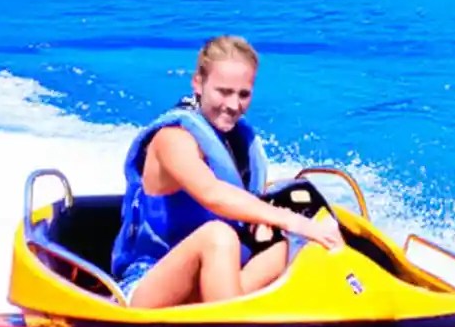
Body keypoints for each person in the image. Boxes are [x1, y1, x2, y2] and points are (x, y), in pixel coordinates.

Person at [110, 35, 344, 308]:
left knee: (293, 245)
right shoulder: (172, 139)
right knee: (218, 236)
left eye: (243, 94)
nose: (234, 106)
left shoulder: (235, 141)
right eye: (223, 91)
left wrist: (282, 225)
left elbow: (247, 199)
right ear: (198, 83)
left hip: (216, 282)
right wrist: (289, 220)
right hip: (149, 285)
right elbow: (212, 194)